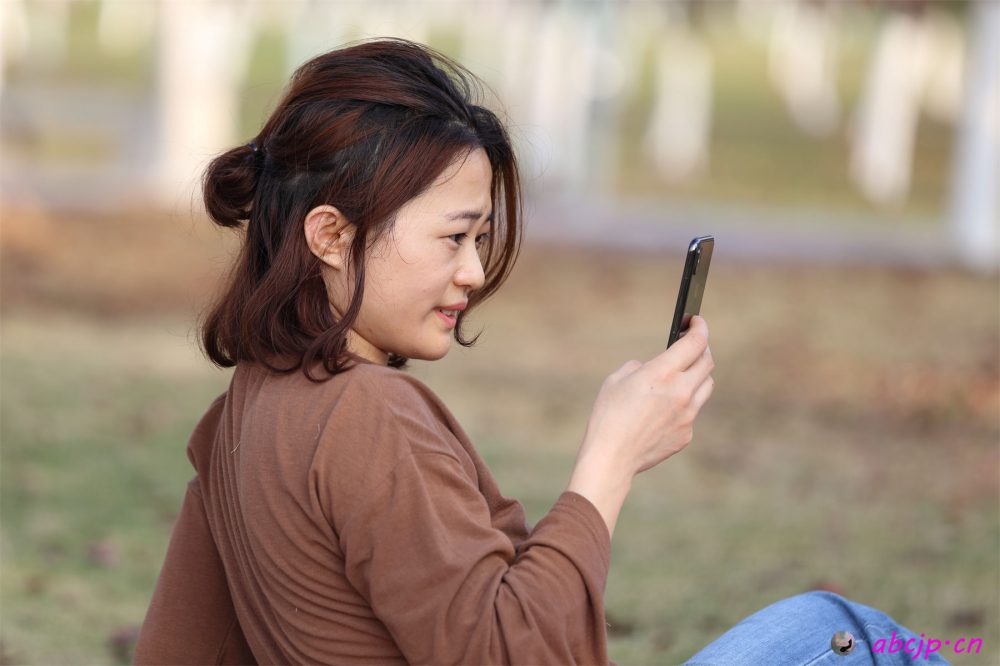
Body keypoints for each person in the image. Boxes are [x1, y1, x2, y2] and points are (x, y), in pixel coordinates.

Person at [133, 38, 949, 666]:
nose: (474, 272)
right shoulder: (366, 414)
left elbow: (179, 650)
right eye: (453, 237)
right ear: (331, 235)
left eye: (481, 238)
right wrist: (609, 463)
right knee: (837, 633)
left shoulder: (240, 414)